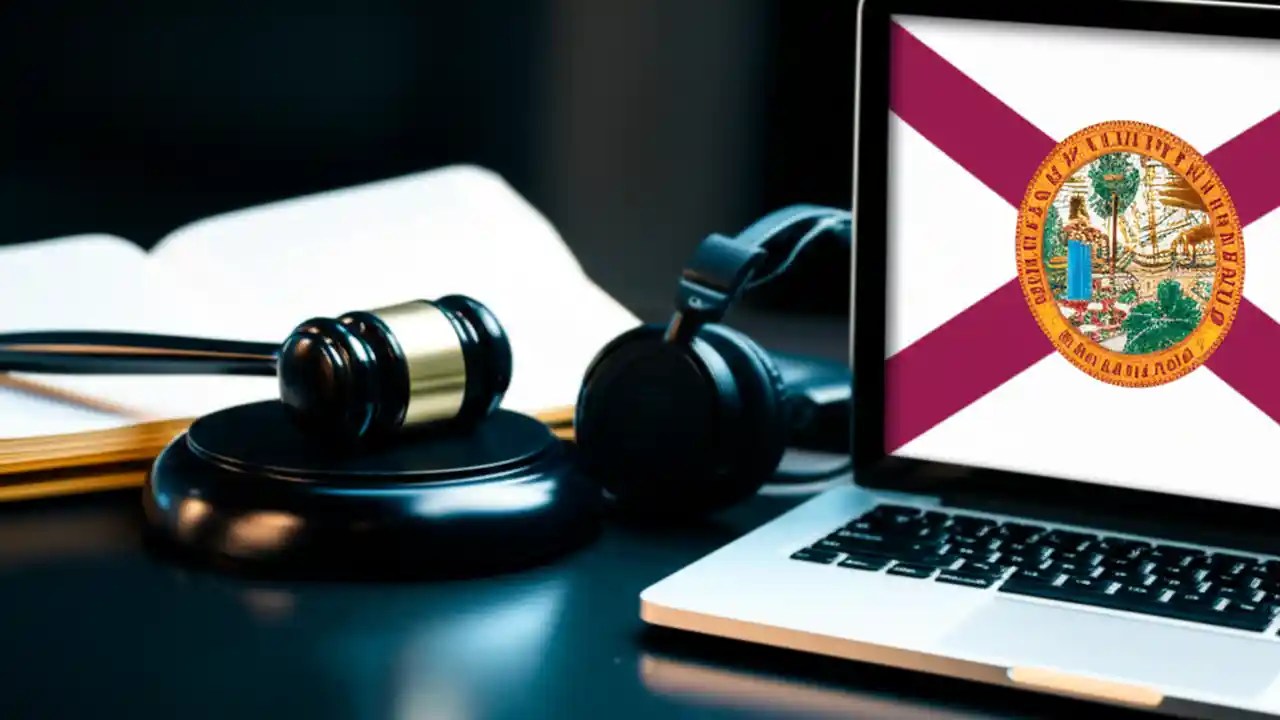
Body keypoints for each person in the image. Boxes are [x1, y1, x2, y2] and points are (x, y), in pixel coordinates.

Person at [1061, 193, 1105, 301]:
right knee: (1079, 269)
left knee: (1077, 269)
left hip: (1077, 245)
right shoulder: (1081, 218)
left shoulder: (1076, 218)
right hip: (1079, 245)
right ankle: (1080, 294)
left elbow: (1070, 232)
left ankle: (1077, 294)